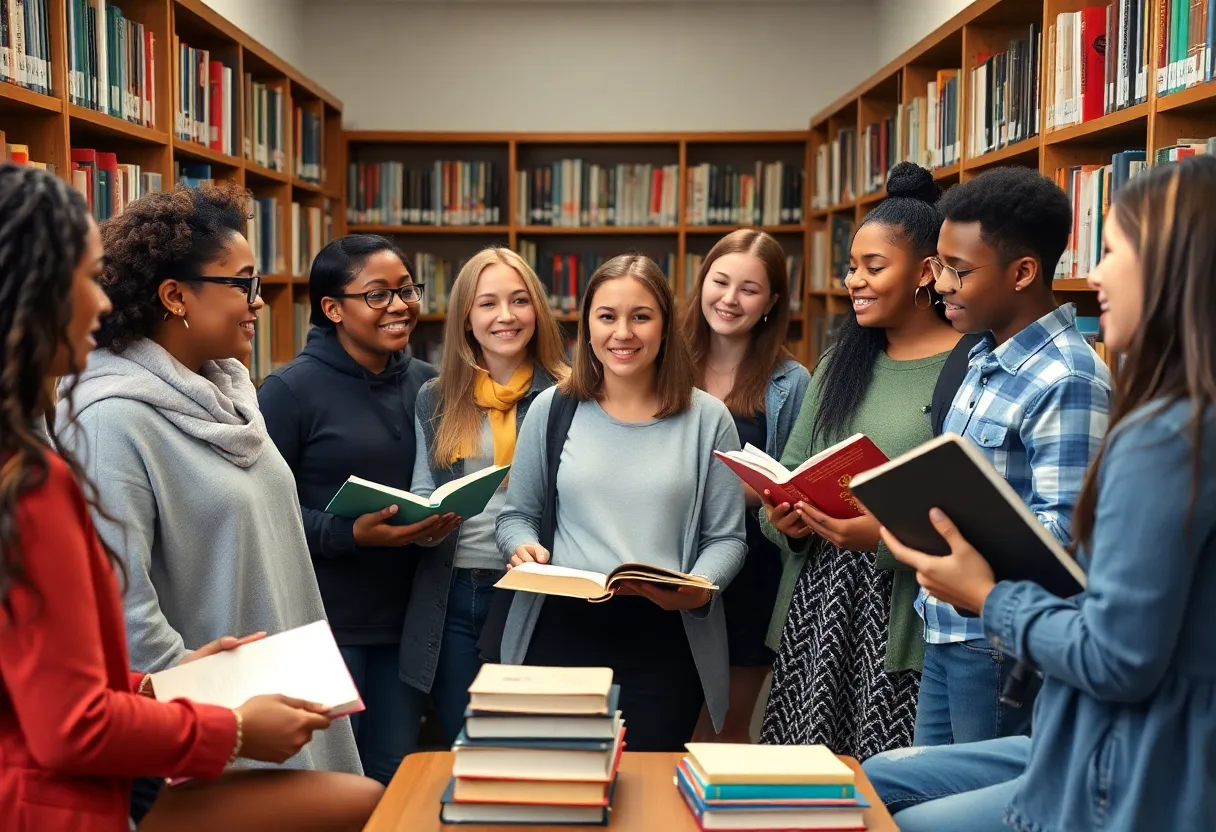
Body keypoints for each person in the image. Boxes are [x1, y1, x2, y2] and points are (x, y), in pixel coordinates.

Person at [0, 163, 382, 832]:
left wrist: (155, 688)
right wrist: (222, 723)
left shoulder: (234, 396)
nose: (103, 301)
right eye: (86, 279)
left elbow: (52, 669)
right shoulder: (47, 467)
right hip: (98, 778)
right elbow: (73, 711)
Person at [862, 151, 1216, 832]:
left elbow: (1113, 646)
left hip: (1069, 693)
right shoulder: (985, 358)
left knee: (903, 814)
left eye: (1113, 251)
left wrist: (988, 594)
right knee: (882, 779)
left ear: (1176, 269)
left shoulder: (1159, 434)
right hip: (987, 637)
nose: (1096, 273)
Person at [494, 254, 747, 751]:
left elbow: (727, 538)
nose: (623, 333)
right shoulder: (553, 407)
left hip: (665, 640)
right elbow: (517, 515)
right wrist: (523, 546)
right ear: (587, 325)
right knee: (562, 797)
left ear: (665, 326)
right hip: (560, 630)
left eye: (641, 316)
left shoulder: (709, 420)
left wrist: (702, 587)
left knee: (649, 798)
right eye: (607, 316)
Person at [758, 163, 967, 760]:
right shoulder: (839, 364)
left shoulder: (967, 367)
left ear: (927, 272)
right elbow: (792, 466)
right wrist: (784, 518)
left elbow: (968, 506)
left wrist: (876, 533)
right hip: (820, 611)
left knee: (885, 784)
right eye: (852, 267)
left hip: (900, 612)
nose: (855, 281)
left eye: (874, 268)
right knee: (801, 783)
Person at [912, 166, 1112, 746]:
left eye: (960, 271)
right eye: (939, 265)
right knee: (918, 798)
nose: (941, 284)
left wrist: (961, 543)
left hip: (1000, 642)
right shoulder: (981, 357)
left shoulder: (1067, 378)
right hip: (946, 625)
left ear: (1023, 272)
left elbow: (1068, 534)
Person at [258, 235, 449, 784]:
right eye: (377, 294)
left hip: (409, 617)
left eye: (405, 290)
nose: (398, 305)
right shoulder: (289, 392)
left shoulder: (427, 384)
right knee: (332, 776)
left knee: (393, 771)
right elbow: (268, 512)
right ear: (333, 308)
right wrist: (349, 534)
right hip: (326, 621)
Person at [404, 247, 570, 745]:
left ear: (537, 312)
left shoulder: (568, 393)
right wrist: (419, 518)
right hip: (454, 588)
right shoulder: (435, 396)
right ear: (466, 319)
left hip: (536, 588)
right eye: (488, 303)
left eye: (519, 301)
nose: (506, 316)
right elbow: (421, 486)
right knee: (467, 737)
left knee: (532, 739)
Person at [679, 229, 810, 743]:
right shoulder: (663, 362)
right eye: (721, 281)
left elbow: (793, 482)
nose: (730, 300)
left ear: (772, 302)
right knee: (664, 725)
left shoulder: (791, 382)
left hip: (752, 575)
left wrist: (709, 490)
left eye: (749, 289)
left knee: (725, 732)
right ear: (703, 282)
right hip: (667, 560)